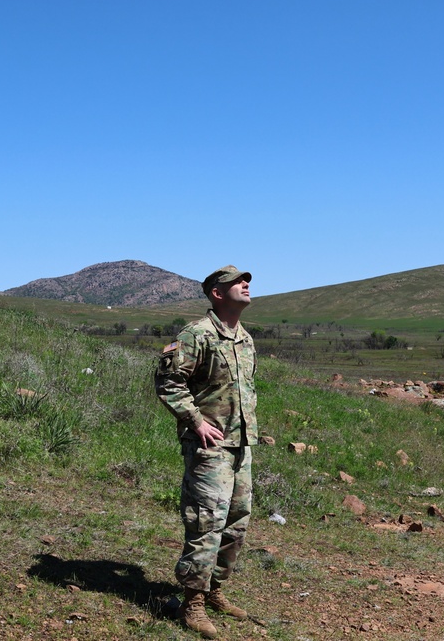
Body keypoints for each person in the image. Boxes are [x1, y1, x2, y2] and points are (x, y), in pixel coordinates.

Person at [154, 265, 258, 639]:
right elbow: (168, 381)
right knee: (205, 521)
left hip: (240, 444)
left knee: (236, 521)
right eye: (237, 282)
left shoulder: (244, 338)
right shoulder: (196, 334)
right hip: (208, 445)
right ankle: (192, 603)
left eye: (247, 281)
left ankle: (214, 590)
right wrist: (195, 421)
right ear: (217, 292)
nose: (246, 285)